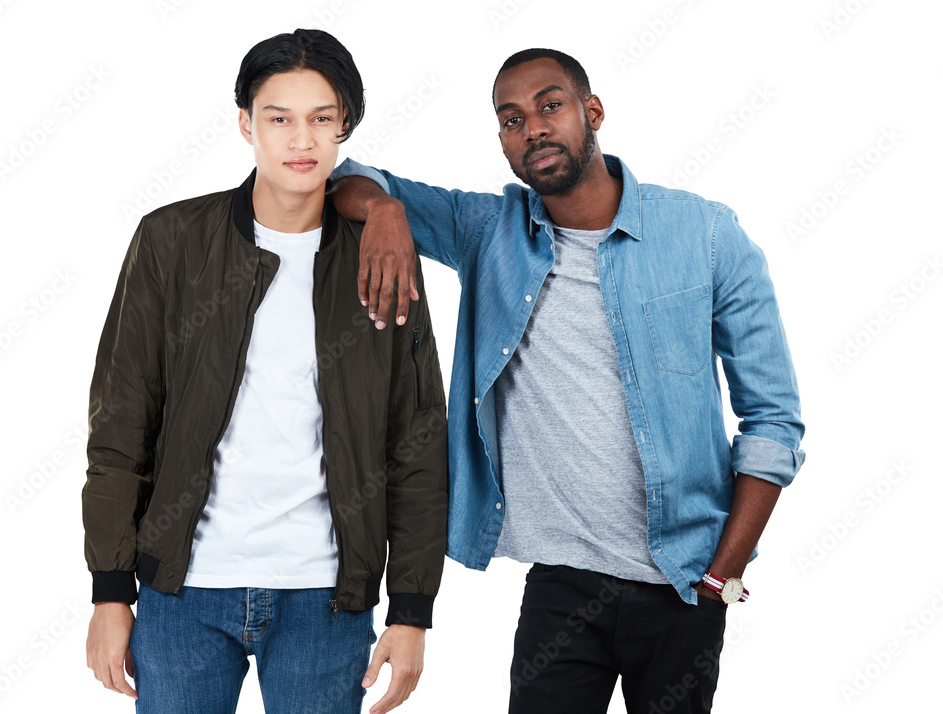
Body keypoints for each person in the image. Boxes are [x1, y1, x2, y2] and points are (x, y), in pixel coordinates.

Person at [328, 48, 805, 713]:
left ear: (592, 110)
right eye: (511, 119)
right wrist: (384, 210)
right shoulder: (486, 232)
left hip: (684, 583)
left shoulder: (705, 234)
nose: (533, 130)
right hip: (563, 588)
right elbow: (343, 174)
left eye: (550, 106)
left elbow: (774, 420)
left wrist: (724, 573)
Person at [82, 28, 448, 714]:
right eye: (279, 118)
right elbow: (120, 424)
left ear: (345, 128)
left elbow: (418, 444)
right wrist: (109, 591)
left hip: (327, 599)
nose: (300, 140)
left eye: (321, 118)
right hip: (181, 595)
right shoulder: (171, 241)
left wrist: (412, 610)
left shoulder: (385, 261)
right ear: (247, 123)